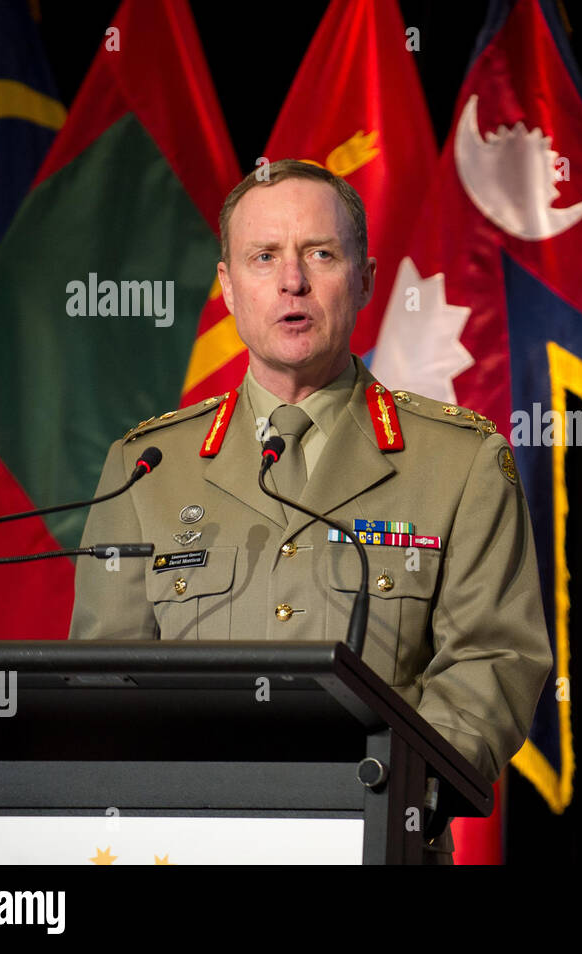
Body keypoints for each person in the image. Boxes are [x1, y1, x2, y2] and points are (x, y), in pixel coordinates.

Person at [69, 159, 553, 861]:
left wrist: (384, 793)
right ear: (229, 289)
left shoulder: (461, 462)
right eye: (264, 258)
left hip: (376, 838)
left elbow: (494, 660)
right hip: (186, 843)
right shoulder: (147, 468)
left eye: (319, 254)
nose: (291, 281)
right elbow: (104, 676)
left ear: (365, 279)